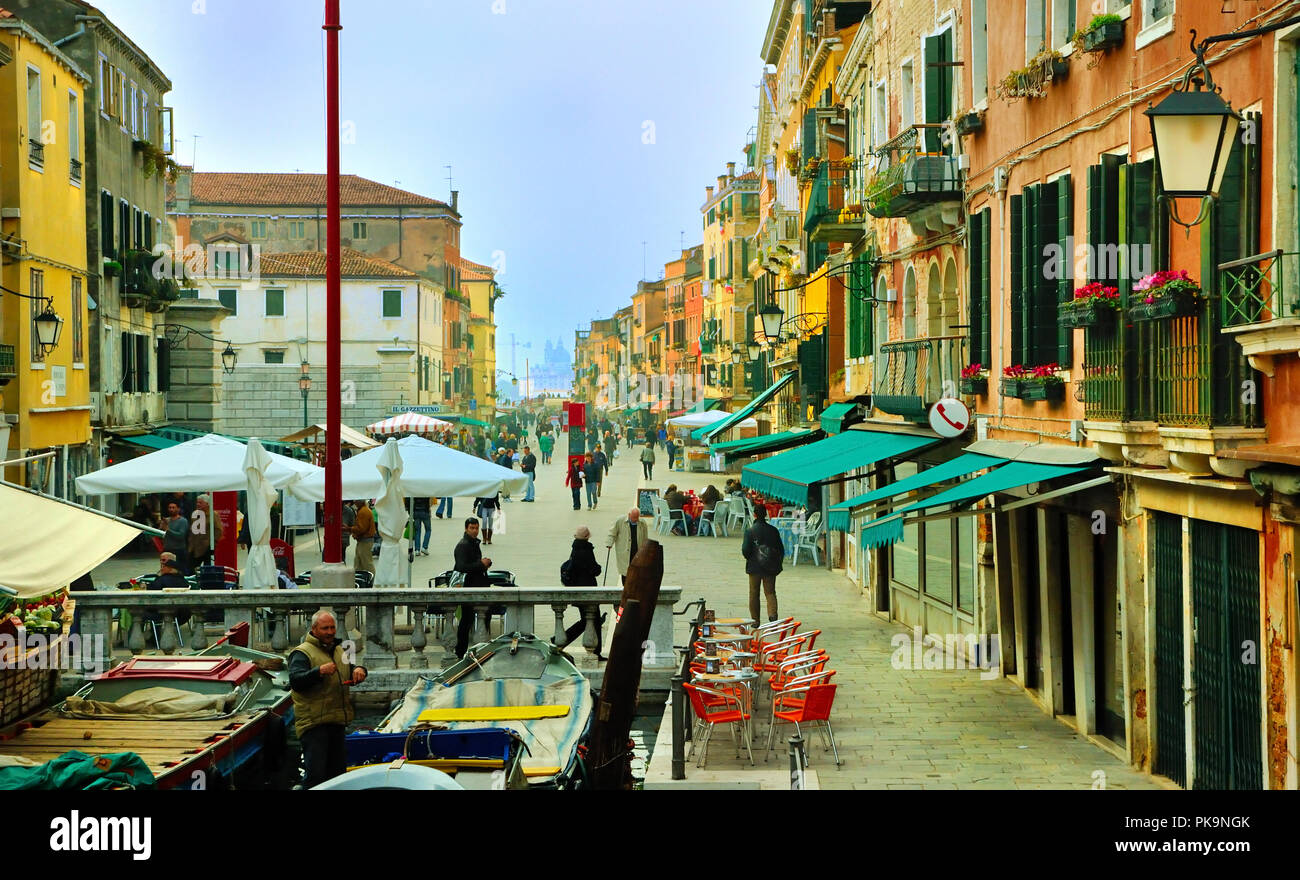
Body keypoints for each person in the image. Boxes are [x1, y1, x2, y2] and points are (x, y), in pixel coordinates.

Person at [289, 610, 367, 788]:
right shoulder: (301, 653)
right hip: (313, 724)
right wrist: (318, 672)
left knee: (338, 775)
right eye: (325, 628)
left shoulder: (338, 648)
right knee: (316, 776)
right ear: (314, 629)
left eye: (332, 627)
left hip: (337, 721)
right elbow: (296, 681)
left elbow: (348, 669)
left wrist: (360, 670)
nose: (330, 632)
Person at [452, 518, 493, 659]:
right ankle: (460, 650)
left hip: (477, 586)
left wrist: (484, 564)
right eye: (472, 528)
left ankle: (471, 648)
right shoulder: (463, 545)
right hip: (468, 587)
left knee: (474, 618)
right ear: (466, 529)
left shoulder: (473, 543)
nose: (475, 531)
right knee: (466, 620)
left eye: (476, 528)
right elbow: (462, 567)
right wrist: (481, 564)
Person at [741, 506, 785, 623]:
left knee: (754, 593)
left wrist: (750, 558)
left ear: (755, 515)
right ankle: (772, 615)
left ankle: (755, 620)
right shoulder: (773, 530)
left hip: (754, 567)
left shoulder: (750, 531)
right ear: (765, 514)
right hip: (770, 566)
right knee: (770, 592)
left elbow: (745, 550)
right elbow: (781, 549)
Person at [606, 508, 649, 587]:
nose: (635, 520)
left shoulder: (642, 523)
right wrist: (609, 543)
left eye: (637, 517)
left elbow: (645, 537)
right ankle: (625, 588)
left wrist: (646, 549)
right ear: (629, 515)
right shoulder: (620, 521)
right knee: (625, 571)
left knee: (637, 570)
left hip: (638, 551)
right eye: (633, 517)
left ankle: (634, 588)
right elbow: (612, 533)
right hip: (624, 551)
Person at [188, 494, 222, 570]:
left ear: (207, 504)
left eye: (200, 503)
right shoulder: (195, 514)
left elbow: (218, 530)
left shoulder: (213, 515)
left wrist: (212, 543)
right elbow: (191, 530)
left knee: (208, 570)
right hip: (194, 547)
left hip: (207, 548)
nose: (198, 504)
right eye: (197, 502)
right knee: (191, 570)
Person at [162, 501, 192, 575]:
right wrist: (161, 527)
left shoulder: (182, 521)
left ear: (178, 509)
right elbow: (162, 534)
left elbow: (181, 536)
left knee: (179, 571)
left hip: (178, 550)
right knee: (167, 571)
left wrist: (168, 530)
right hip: (167, 550)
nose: (171, 509)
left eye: (173, 507)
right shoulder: (167, 520)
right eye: (170, 508)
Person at [352, 499, 376, 575]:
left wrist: (350, 529)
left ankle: (371, 579)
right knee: (359, 562)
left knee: (366, 563)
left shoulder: (363, 511)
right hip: (363, 540)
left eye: (355, 500)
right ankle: (359, 578)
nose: (354, 502)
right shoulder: (364, 510)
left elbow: (361, 528)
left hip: (365, 540)